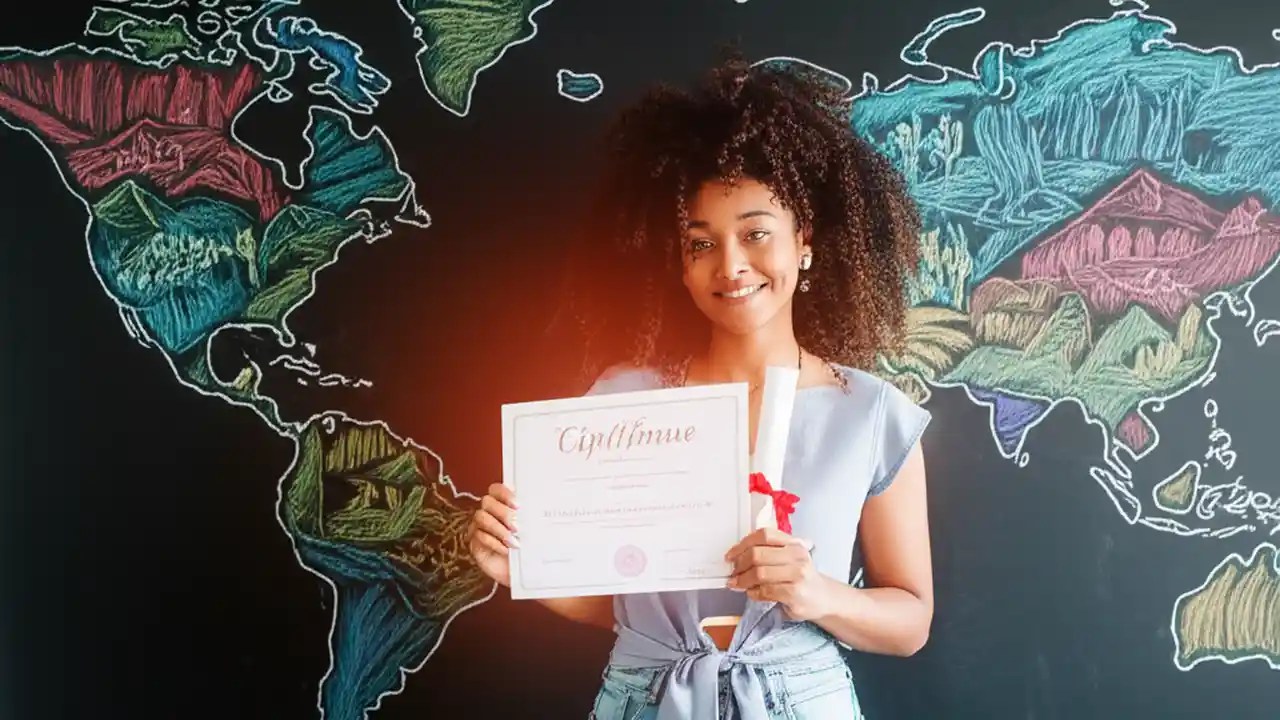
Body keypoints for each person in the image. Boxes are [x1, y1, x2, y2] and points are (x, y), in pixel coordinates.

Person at [467, 51, 933, 719]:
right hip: (642, 698)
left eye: (755, 234)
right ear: (680, 268)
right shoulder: (622, 402)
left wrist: (818, 593)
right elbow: (619, 610)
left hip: (803, 700)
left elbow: (911, 622)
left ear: (804, 242)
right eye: (701, 243)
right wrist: (528, 571)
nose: (731, 265)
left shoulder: (871, 415)